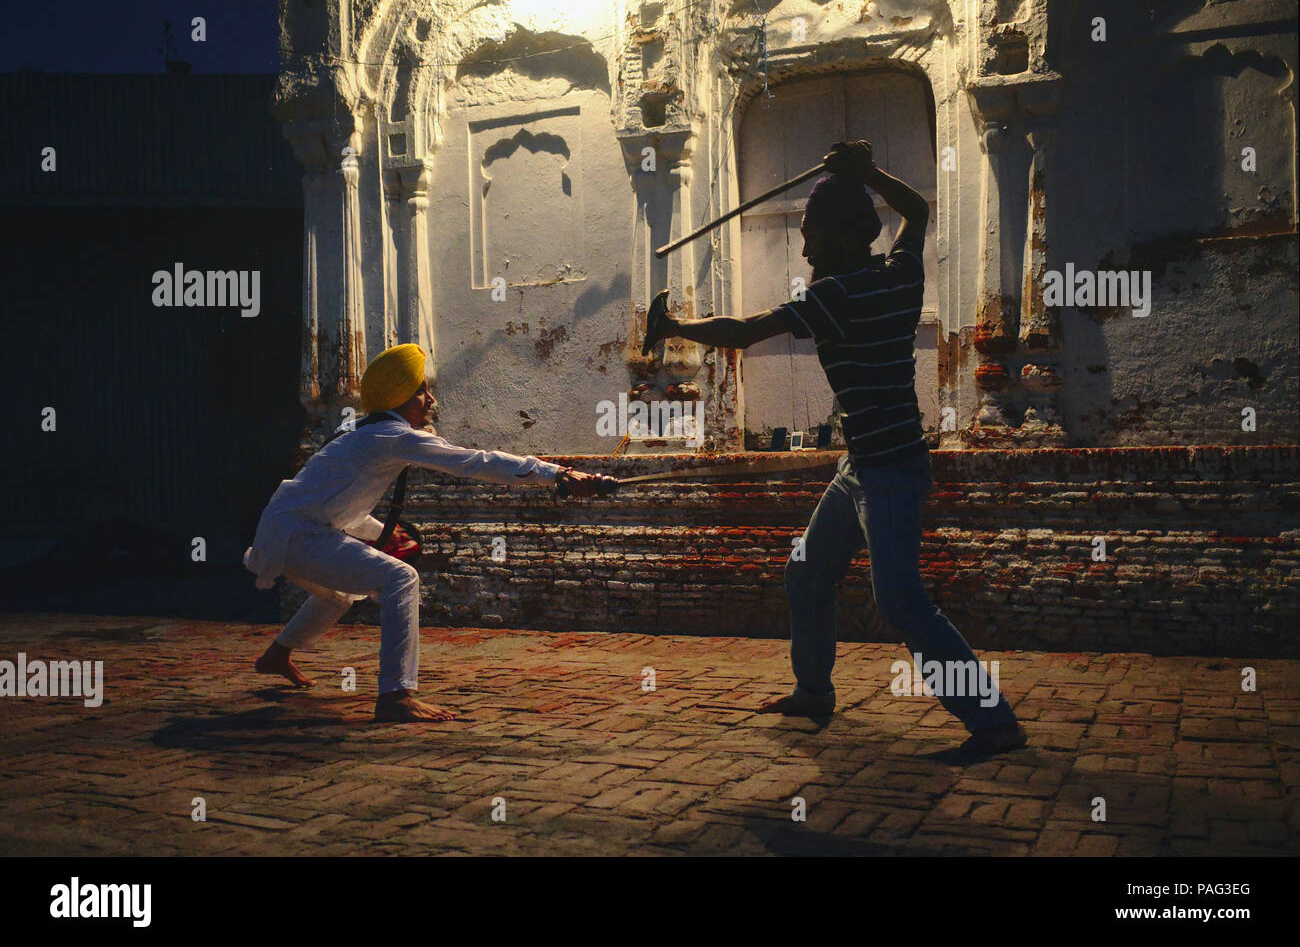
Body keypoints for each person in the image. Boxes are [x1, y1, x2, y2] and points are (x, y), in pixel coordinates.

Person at [644, 141, 1025, 753]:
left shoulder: (835, 297)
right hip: (866, 469)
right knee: (807, 572)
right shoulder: (898, 277)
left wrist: (673, 327)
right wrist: (869, 172)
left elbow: (743, 333)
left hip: (890, 475)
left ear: (841, 237)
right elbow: (918, 215)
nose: (802, 249)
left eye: (809, 235)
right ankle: (814, 694)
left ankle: (994, 721)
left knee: (900, 601)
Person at [243, 343, 612, 722]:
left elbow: (334, 501)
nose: (430, 398)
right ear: (400, 395)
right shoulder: (393, 434)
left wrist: (378, 532)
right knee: (400, 578)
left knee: (342, 594)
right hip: (297, 534)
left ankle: (277, 655)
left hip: (286, 529)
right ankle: (395, 696)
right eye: (421, 390)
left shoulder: (363, 431)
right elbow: (475, 462)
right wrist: (558, 473)